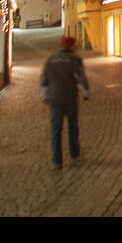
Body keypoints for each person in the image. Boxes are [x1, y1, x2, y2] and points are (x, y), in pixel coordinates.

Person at [40, 35, 89, 169]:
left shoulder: (51, 60)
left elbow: (44, 79)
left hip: (55, 99)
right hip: (69, 98)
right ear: (71, 46)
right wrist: (85, 93)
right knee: (72, 127)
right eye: (75, 45)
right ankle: (74, 155)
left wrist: (44, 95)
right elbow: (80, 78)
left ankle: (57, 161)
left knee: (56, 130)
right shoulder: (75, 59)